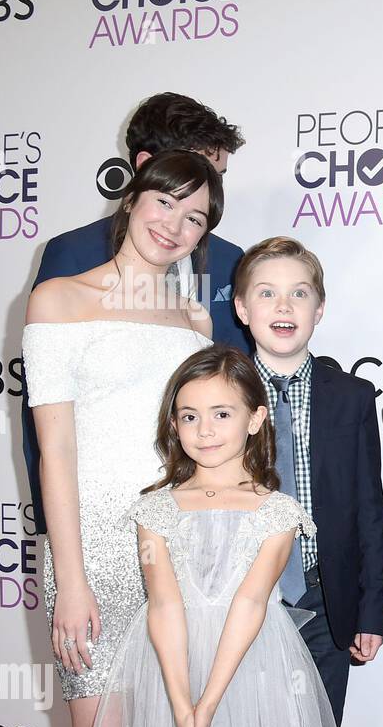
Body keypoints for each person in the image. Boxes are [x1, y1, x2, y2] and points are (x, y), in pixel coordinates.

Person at [73, 346, 376, 727]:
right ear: (173, 424)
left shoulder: (278, 510)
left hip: (253, 665)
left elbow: (250, 602)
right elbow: (164, 605)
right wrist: (181, 701)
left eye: (222, 414)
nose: (205, 429)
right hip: (171, 664)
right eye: (190, 416)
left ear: (255, 419)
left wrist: (207, 702)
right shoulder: (154, 509)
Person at [22, 150, 220, 727]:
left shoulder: (196, 320)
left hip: (178, 550)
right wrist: (69, 579)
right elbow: (58, 452)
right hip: (92, 548)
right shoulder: (60, 299)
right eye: (166, 202)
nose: (175, 225)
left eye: (194, 217)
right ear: (133, 197)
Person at [23, 92, 248, 536]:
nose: (203, 186)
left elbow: (239, 390)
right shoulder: (73, 256)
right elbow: (49, 418)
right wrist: (58, 530)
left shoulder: (231, 259)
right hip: (97, 515)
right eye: (183, 175)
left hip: (197, 514)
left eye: (215, 177)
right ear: (145, 168)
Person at [233, 237, 383, 727]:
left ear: (319, 309)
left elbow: (369, 507)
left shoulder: (352, 397)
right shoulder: (216, 392)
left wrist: (370, 610)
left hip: (325, 601)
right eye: (266, 293)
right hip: (237, 601)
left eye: (299, 294)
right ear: (240, 307)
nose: (283, 306)